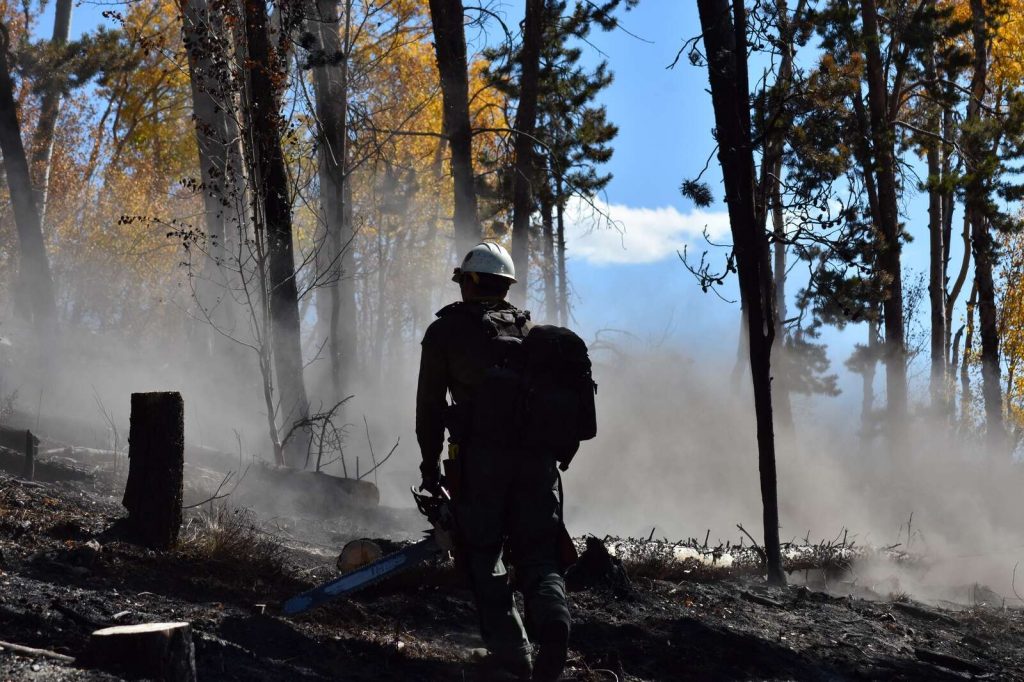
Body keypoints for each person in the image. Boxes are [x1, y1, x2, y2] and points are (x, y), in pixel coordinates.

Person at [416, 242, 571, 681]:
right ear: (505, 286)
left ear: (468, 282)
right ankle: (554, 622)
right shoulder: (531, 332)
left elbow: (429, 407)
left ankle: (512, 656)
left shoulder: (446, 332)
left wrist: (430, 469)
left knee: (483, 555)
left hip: (480, 464)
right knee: (540, 554)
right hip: (538, 464)